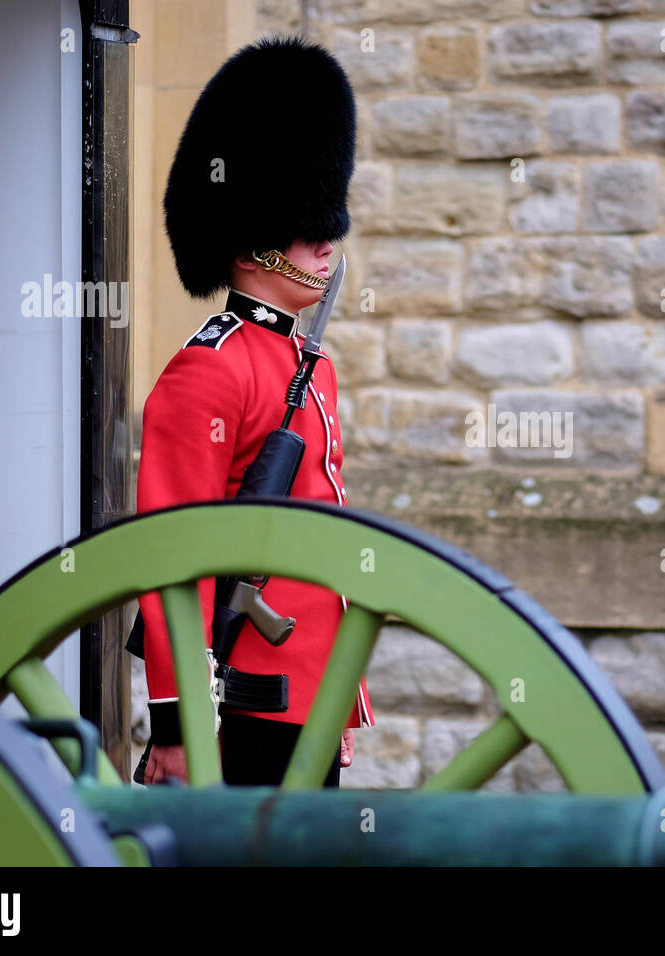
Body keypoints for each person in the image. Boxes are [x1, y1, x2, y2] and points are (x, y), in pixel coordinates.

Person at [132, 36, 373, 787]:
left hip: (308, 699)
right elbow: (174, 554)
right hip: (241, 705)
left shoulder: (310, 364)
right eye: (306, 225)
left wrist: (338, 707)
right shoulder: (210, 368)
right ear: (252, 240)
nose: (326, 242)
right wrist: (175, 723)